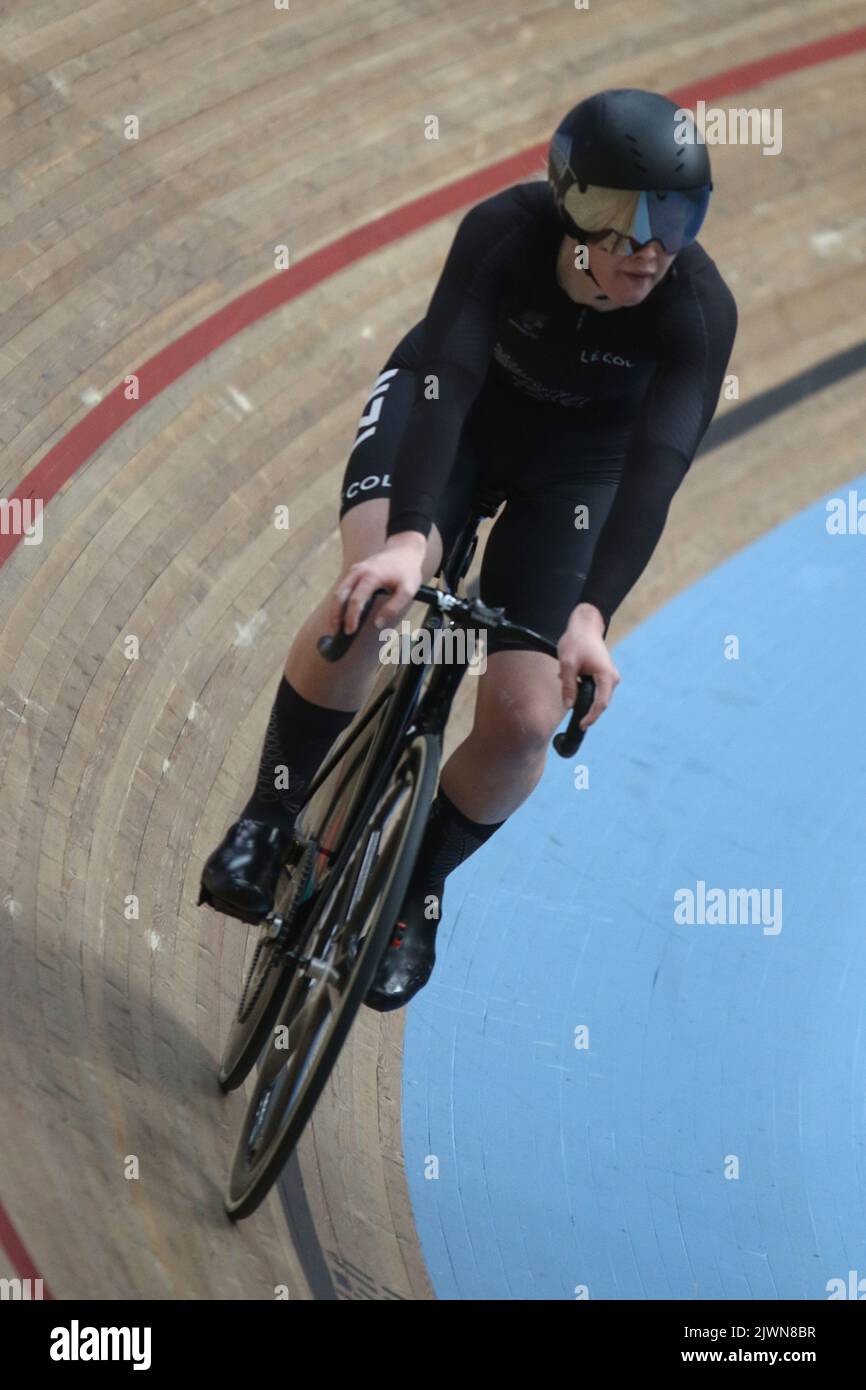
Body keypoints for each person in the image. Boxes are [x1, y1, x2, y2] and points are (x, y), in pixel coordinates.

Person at [199, 88, 737, 1012]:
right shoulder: (505, 232)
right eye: (622, 221)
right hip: (455, 416)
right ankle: (268, 815)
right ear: (570, 203)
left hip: (575, 474)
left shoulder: (696, 309)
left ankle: (416, 893)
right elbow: (446, 380)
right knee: (370, 603)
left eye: (676, 220)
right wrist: (411, 541)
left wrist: (589, 616)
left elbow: (655, 473)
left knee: (529, 718)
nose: (649, 249)